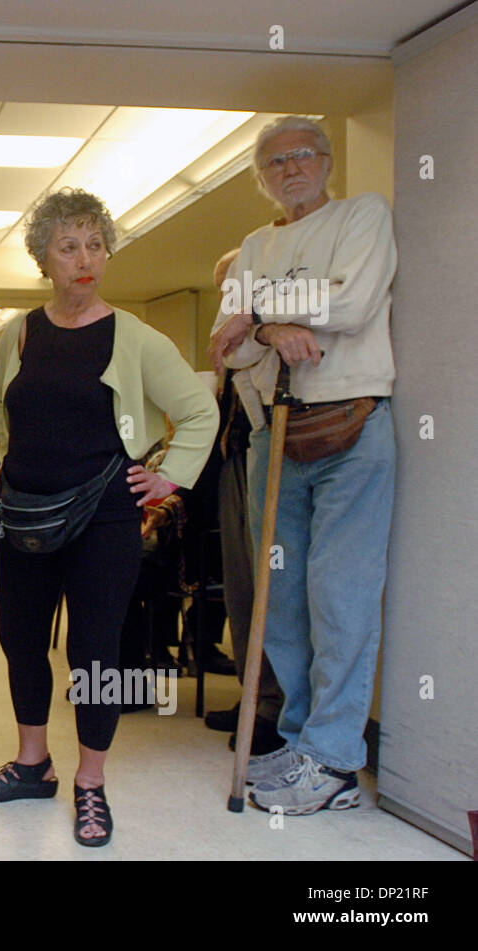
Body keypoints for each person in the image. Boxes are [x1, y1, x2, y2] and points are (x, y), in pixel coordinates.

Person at [0, 188, 218, 846]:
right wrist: (6, 455)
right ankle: (33, 763)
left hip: (104, 516)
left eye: (94, 244)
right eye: (68, 246)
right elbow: (2, 400)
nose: (84, 258)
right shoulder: (20, 331)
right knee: (20, 638)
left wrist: (170, 473)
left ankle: (90, 781)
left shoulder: (134, 336)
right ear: (43, 259)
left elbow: (199, 410)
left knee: (93, 652)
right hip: (24, 511)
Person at [208, 116, 397, 815]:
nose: (290, 169)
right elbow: (224, 346)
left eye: (302, 156)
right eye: (274, 162)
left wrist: (256, 308)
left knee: (339, 595)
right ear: (262, 178)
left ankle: (338, 759)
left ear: (325, 162)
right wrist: (264, 330)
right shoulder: (257, 243)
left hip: (352, 428)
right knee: (280, 600)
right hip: (275, 436)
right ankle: (297, 739)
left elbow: (351, 303)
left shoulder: (363, 215)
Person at [205, 248, 284, 752]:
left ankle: (274, 708)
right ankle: (252, 694)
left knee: (269, 588)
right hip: (235, 457)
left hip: (271, 450)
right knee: (241, 585)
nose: (223, 299)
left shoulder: (273, 315)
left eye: (230, 286)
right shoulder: (233, 332)